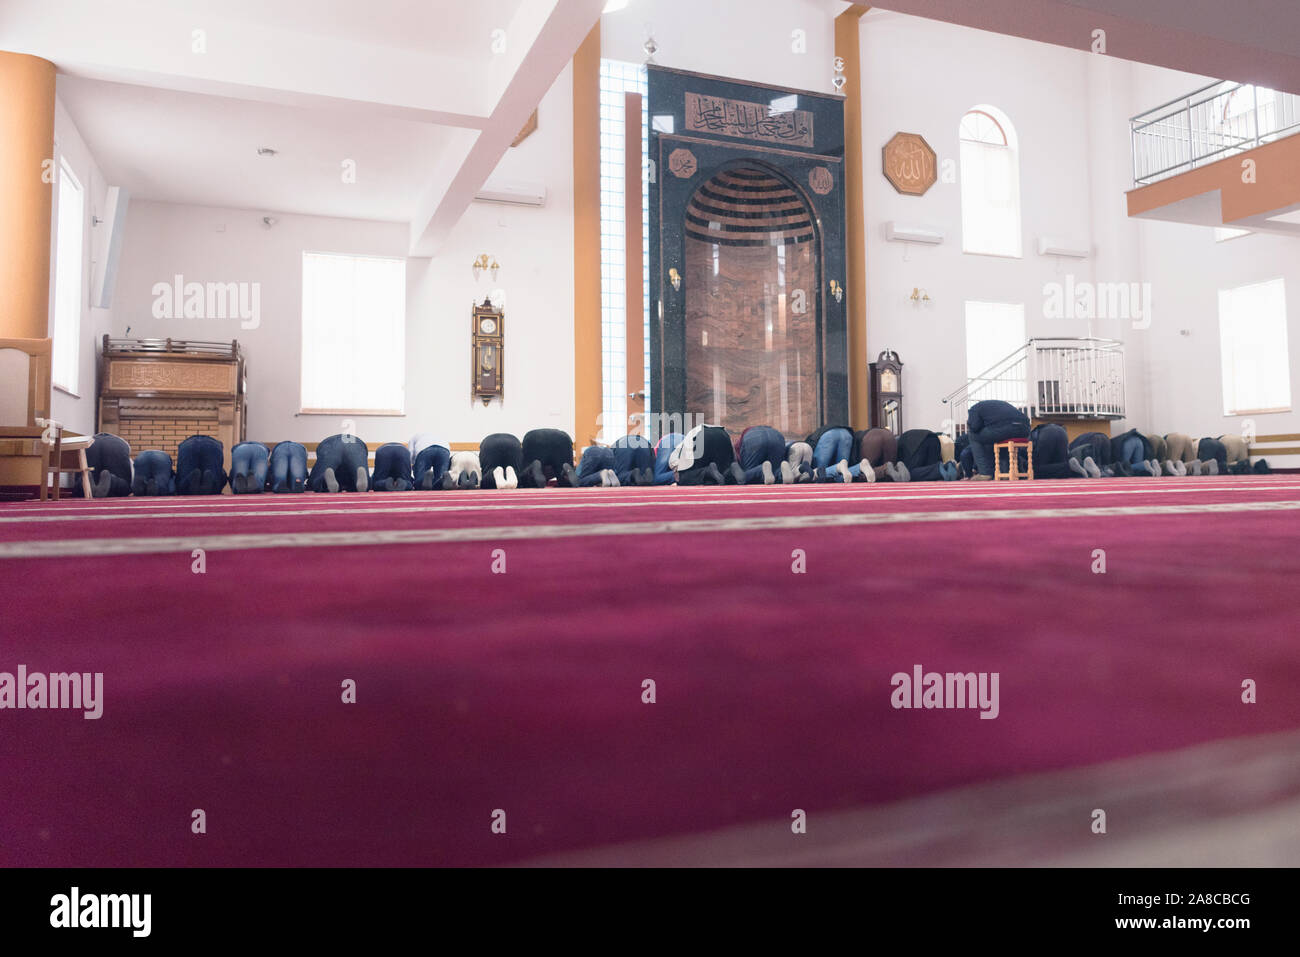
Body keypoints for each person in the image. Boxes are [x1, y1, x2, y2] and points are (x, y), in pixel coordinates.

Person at [966, 400, 1030, 479]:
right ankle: (1011, 471)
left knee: (973, 435)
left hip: (1007, 428)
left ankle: (984, 473)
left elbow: (974, 427)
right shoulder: (994, 406)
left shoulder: (973, 409)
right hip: (1025, 428)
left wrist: (969, 424)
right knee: (995, 439)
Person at [671, 424, 744, 485]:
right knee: (720, 473)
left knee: (684, 479)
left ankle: (707, 471)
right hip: (723, 434)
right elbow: (732, 452)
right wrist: (734, 462)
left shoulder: (676, 454)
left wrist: (678, 474)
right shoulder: (685, 440)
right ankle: (730, 471)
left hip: (702, 436)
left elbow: (675, 466)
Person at [84, 433, 133, 497]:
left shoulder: (89, 440)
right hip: (117, 446)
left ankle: (84, 482)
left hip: (89, 444)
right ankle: (112, 480)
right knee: (123, 482)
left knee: (85, 475)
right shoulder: (122, 442)